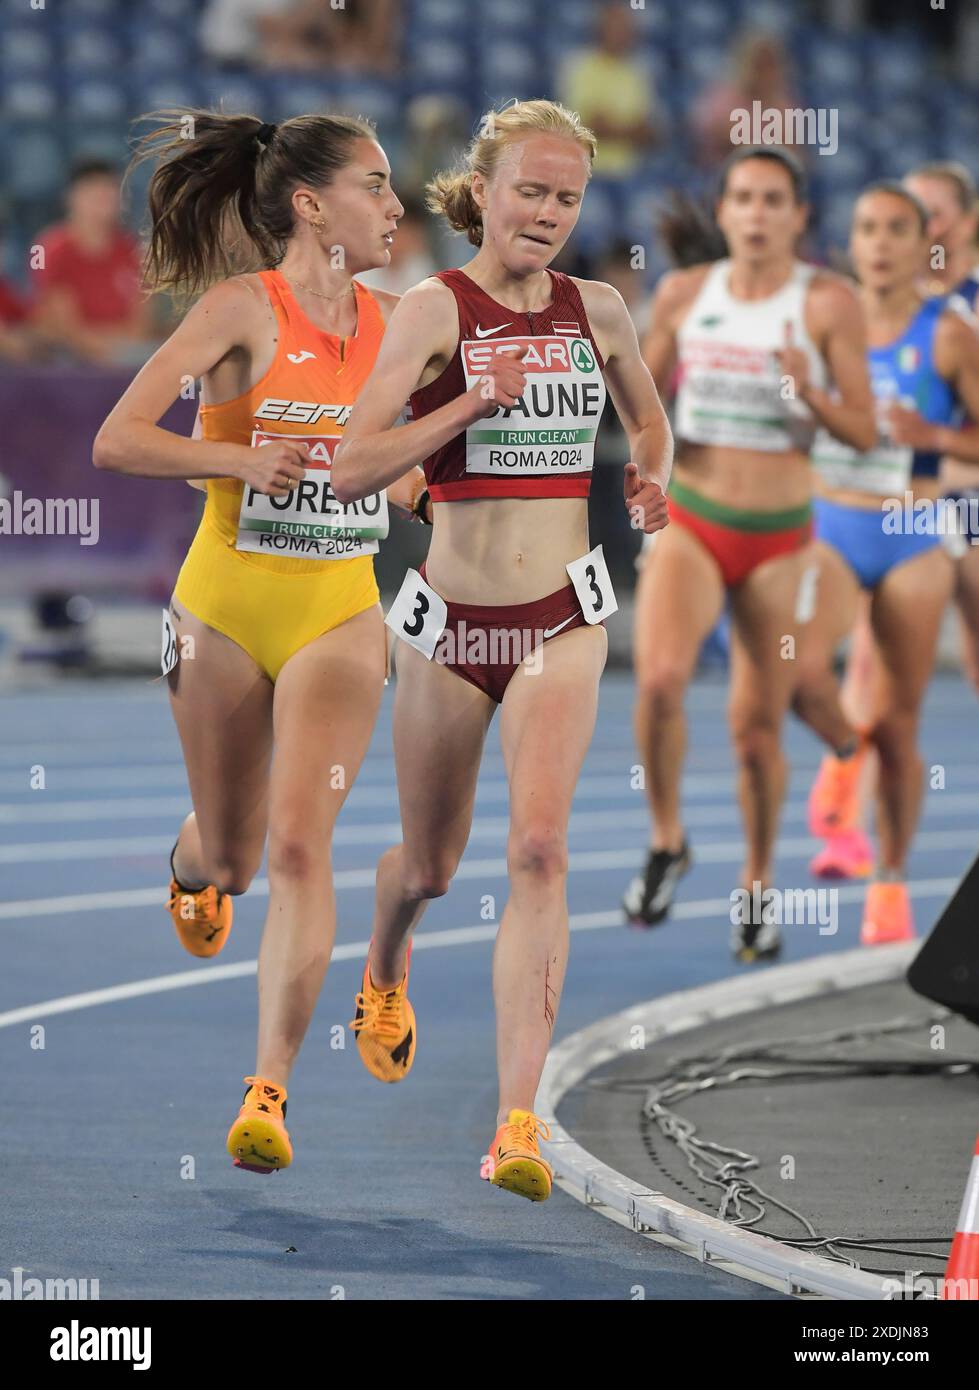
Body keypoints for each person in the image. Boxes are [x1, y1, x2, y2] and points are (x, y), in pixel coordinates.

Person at [331, 99, 672, 1201]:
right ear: (481, 190)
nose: (546, 213)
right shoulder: (433, 307)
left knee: (539, 850)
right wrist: (470, 399)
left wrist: (648, 470)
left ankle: (515, 1121)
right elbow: (351, 466)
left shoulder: (599, 308)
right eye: (528, 190)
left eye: (566, 197)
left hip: (562, 617)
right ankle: (385, 960)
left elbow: (649, 417)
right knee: (428, 866)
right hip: (446, 623)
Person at [93, 109, 426, 1175]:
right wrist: (238, 461)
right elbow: (118, 439)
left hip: (339, 609)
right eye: (376, 186)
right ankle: (189, 861)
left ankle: (267, 1092)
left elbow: (407, 467)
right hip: (224, 608)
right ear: (311, 205)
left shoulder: (401, 325)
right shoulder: (242, 308)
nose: (397, 206)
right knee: (237, 856)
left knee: (298, 846)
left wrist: (427, 487)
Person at [623, 147, 876, 962]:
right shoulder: (683, 293)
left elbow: (864, 433)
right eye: (742, 199)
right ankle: (667, 841)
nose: (757, 214)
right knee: (660, 680)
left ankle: (759, 887)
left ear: (800, 217)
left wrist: (809, 393)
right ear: (724, 212)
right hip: (694, 517)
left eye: (773, 200)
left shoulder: (828, 303)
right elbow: (636, 398)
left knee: (753, 727)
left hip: (778, 539)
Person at [798, 183, 979, 944]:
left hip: (913, 528)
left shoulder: (949, 336)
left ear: (920, 246)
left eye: (895, 230)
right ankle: (847, 748)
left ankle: (891, 887)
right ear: (850, 240)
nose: (877, 243)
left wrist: (932, 438)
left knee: (900, 725)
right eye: (865, 228)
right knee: (797, 671)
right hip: (831, 523)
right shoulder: (813, 318)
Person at [29, 160, 157, 365]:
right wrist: (109, 351)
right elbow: (66, 327)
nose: (103, 198)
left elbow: (141, 323)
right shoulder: (48, 247)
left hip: (125, 353)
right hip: (69, 356)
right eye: (93, 192)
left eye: (109, 191)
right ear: (72, 197)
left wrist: (118, 350)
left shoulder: (133, 250)